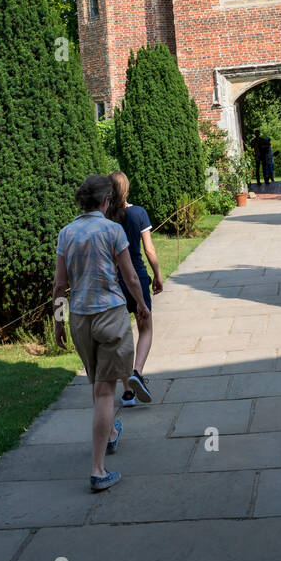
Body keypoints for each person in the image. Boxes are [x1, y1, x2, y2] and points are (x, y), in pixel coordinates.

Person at [53, 174, 150, 494]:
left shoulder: (66, 233)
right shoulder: (113, 230)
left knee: (98, 387)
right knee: (107, 392)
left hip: (80, 319)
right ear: (106, 201)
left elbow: (59, 285)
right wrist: (141, 305)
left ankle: (109, 433)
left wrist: (57, 323)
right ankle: (97, 470)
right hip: (109, 314)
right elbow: (131, 276)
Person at [106, 170, 163, 408]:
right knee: (145, 328)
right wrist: (157, 275)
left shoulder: (104, 218)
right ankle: (137, 372)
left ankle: (128, 391)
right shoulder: (138, 213)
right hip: (137, 277)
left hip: (113, 281)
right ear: (127, 189)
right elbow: (149, 250)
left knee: (120, 337)